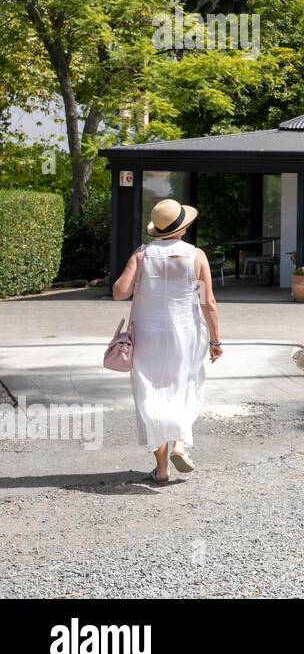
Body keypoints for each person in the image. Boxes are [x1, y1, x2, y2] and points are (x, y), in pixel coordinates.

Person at [112, 199, 223, 484]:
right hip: (185, 333)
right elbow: (208, 303)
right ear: (183, 228)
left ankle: (161, 469)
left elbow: (119, 293)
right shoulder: (196, 255)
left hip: (147, 334)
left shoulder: (142, 254)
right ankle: (180, 444)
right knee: (184, 385)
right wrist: (216, 340)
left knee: (151, 393)